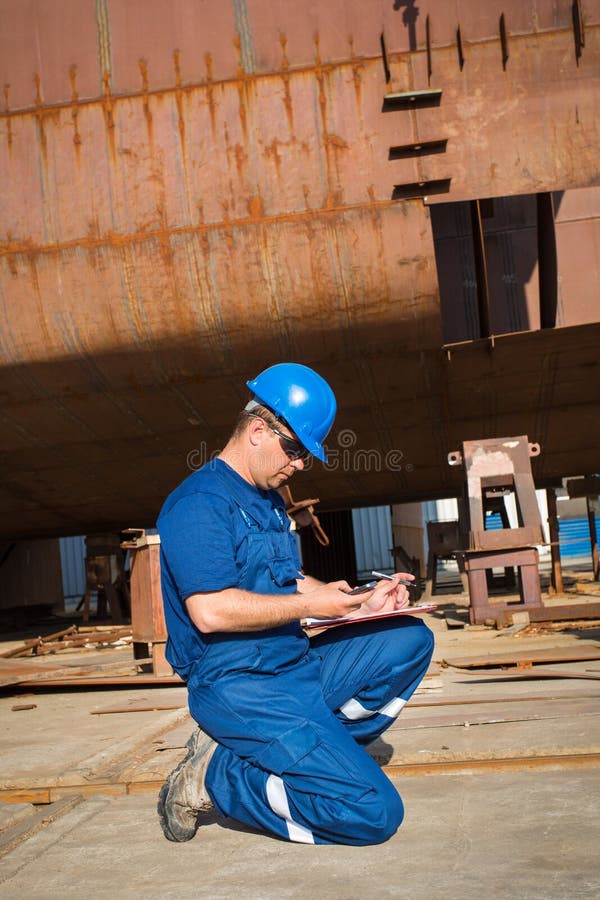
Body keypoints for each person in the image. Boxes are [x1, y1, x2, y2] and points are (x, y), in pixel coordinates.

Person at [156, 362, 434, 846]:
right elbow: (211, 610)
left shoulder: (266, 500)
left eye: (307, 455)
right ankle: (217, 776)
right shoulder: (199, 504)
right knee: (374, 814)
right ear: (259, 431)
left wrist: (358, 602)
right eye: (297, 450)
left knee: (409, 638)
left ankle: (312, 752)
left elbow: (288, 580)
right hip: (238, 685)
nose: (301, 464)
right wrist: (314, 609)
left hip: (292, 664)